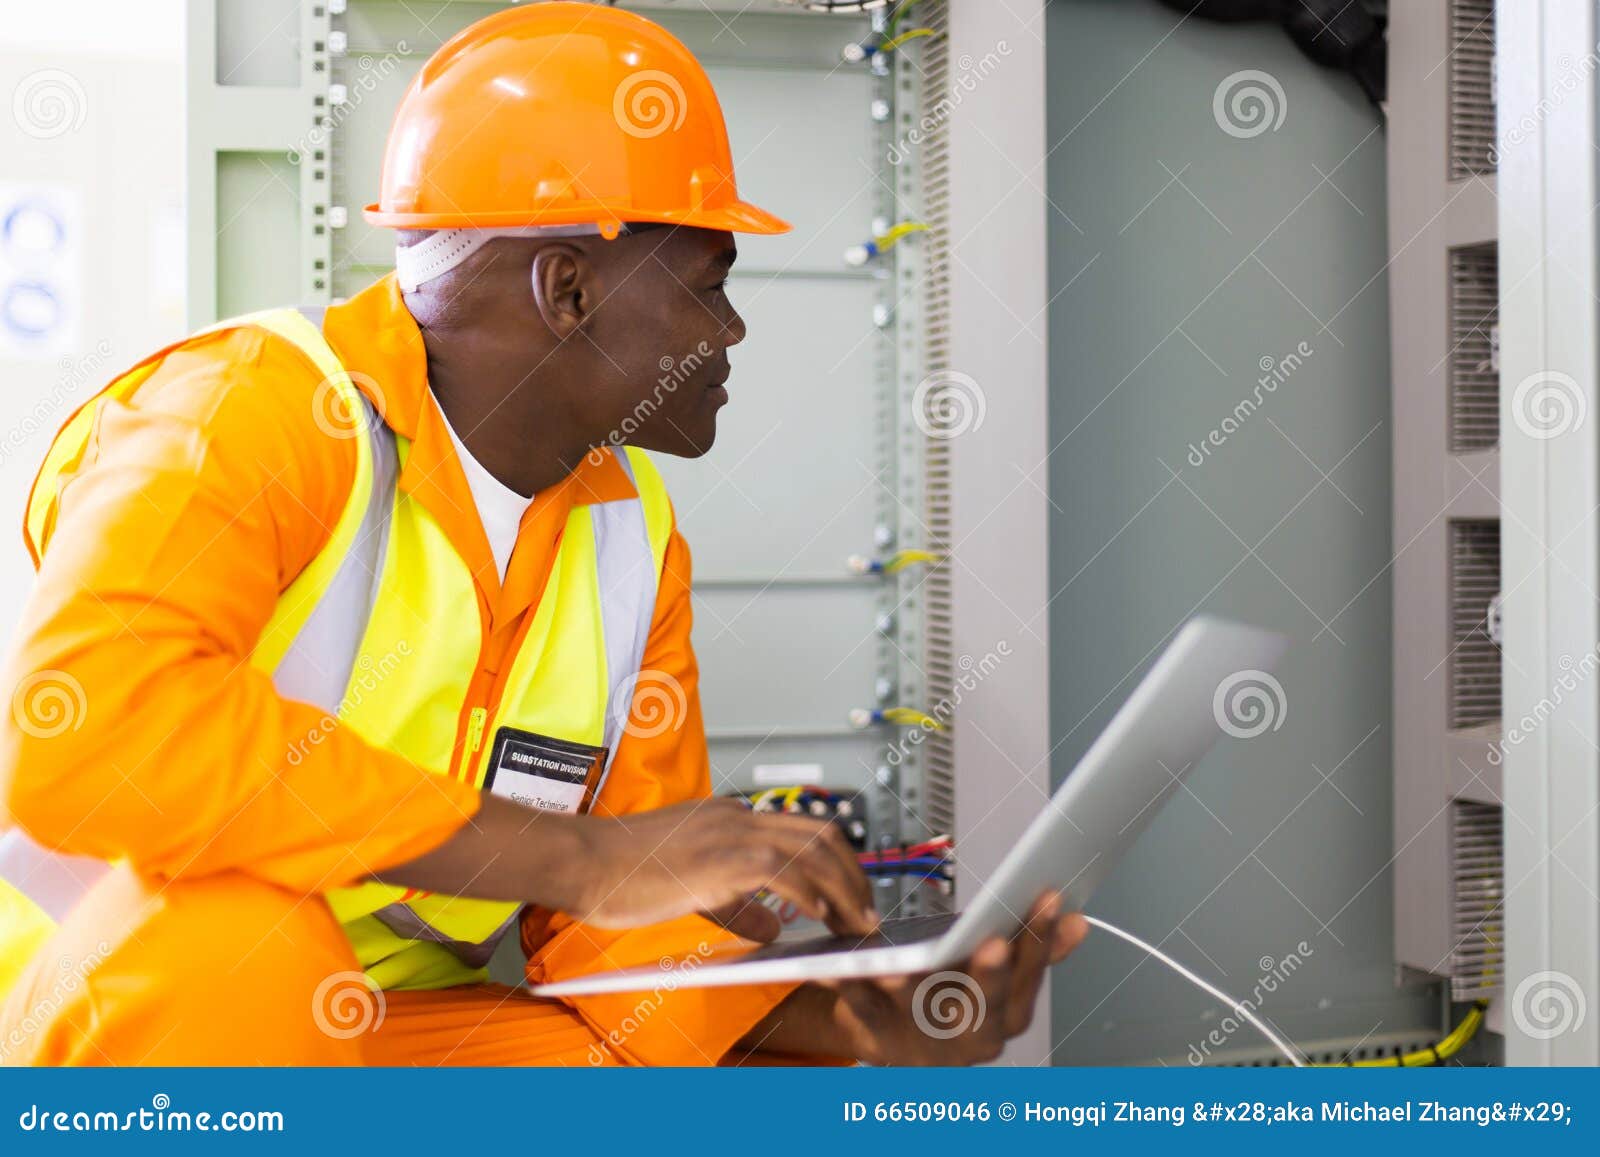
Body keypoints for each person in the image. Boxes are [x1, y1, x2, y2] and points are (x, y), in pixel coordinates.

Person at [0, 2, 1085, 1066]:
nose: (732, 328)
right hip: (111, 1016)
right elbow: (89, 732)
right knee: (242, 955)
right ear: (567, 287)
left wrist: (863, 1027)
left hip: (368, 1037)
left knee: (686, 1093)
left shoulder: (628, 531)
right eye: (709, 285)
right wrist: (581, 853)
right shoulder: (249, 411)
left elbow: (626, 923)